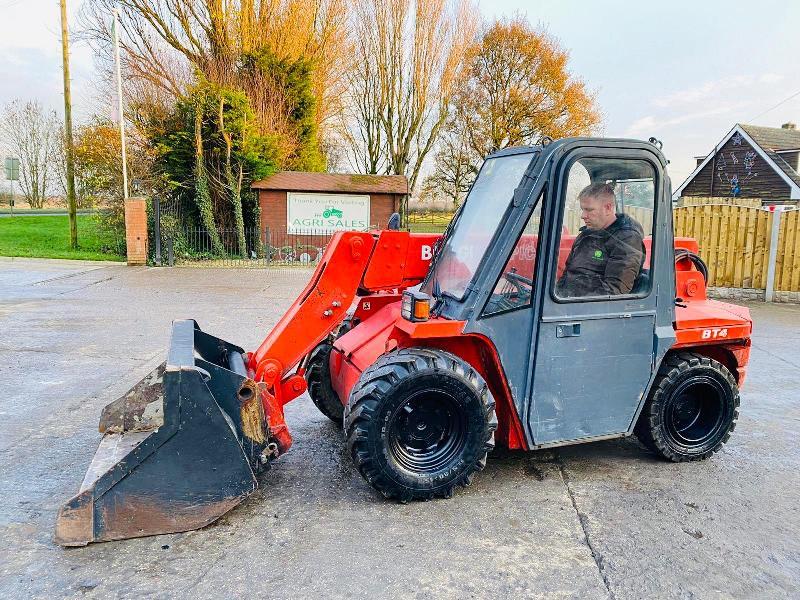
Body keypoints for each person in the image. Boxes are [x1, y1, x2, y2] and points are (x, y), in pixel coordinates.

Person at [556, 182, 645, 298]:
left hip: (589, 310)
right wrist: (556, 297)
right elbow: (567, 275)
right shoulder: (585, 235)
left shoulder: (627, 240)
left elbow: (613, 292)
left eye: (589, 210)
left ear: (608, 208)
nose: (583, 215)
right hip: (567, 303)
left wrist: (569, 302)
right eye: (583, 209)